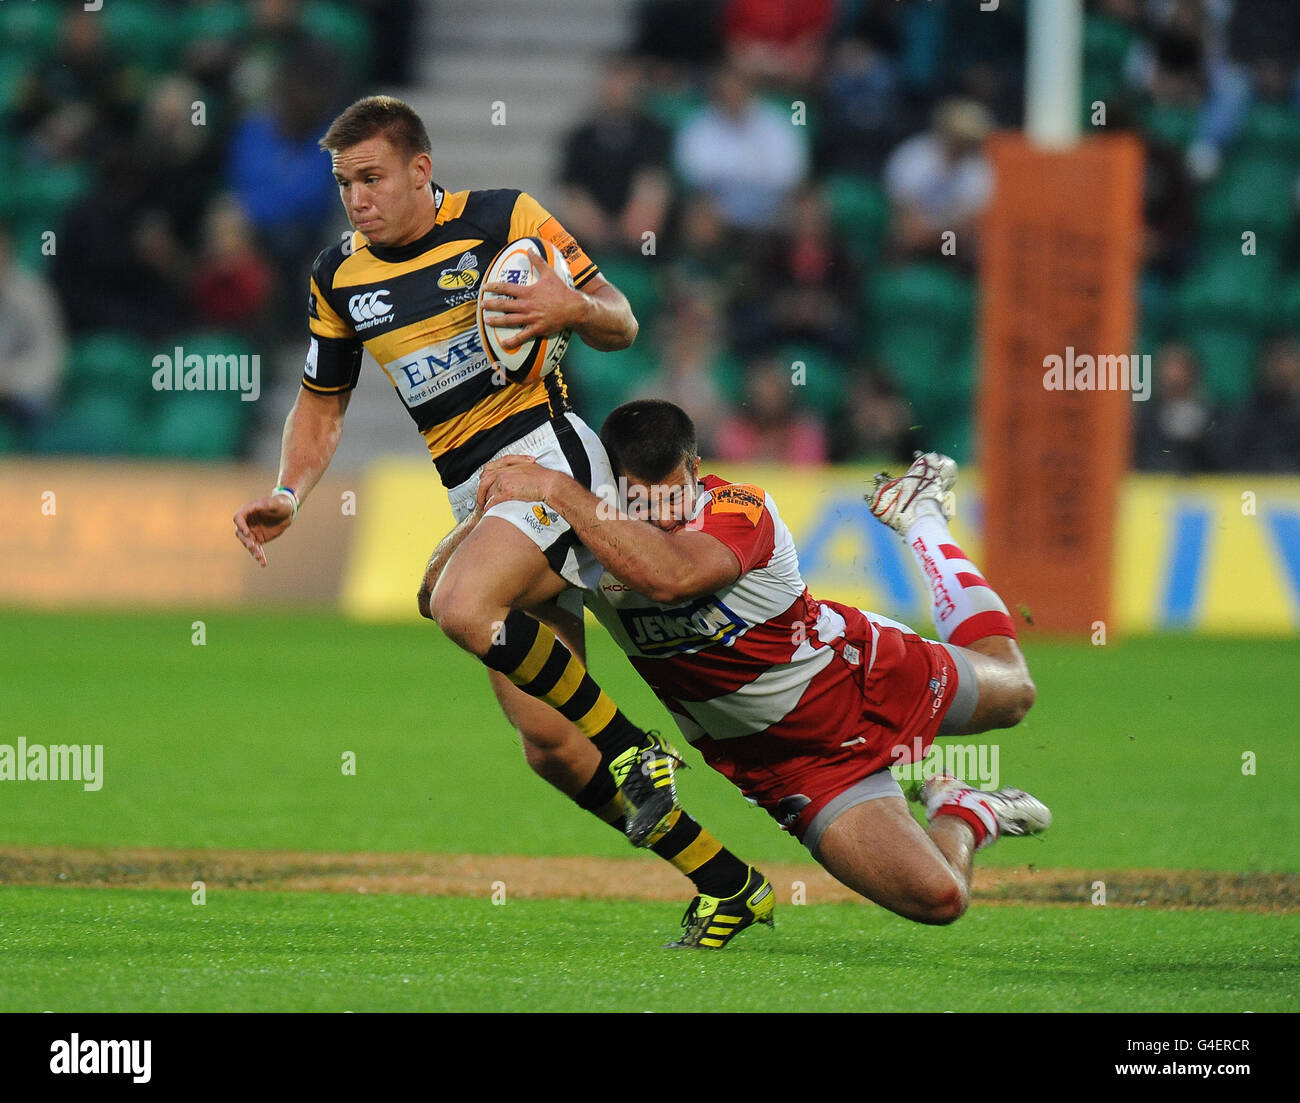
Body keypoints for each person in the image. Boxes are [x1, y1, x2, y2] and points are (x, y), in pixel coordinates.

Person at [231, 96, 767, 947]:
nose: (356, 198)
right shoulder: (339, 275)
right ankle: (728, 882)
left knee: (459, 604)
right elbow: (320, 405)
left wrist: (574, 312)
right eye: (343, 183)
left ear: (420, 169)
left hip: (547, 458)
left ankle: (639, 744)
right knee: (549, 745)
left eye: (371, 178)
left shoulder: (504, 220)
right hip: (473, 495)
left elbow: (623, 320)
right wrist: (290, 493)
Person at [433, 401, 1050, 938]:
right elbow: (448, 597)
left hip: (864, 674)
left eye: (676, 493)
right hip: (791, 766)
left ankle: (921, 519)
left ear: (696, 470)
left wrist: (555, 488)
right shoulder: (589, 539)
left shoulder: (739, 508)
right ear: (614, 488)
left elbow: (670, 577)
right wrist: (476, 536)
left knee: (1015, 691)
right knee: (940, 900)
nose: (668, 512)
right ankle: (964, 807)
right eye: (644, 502)